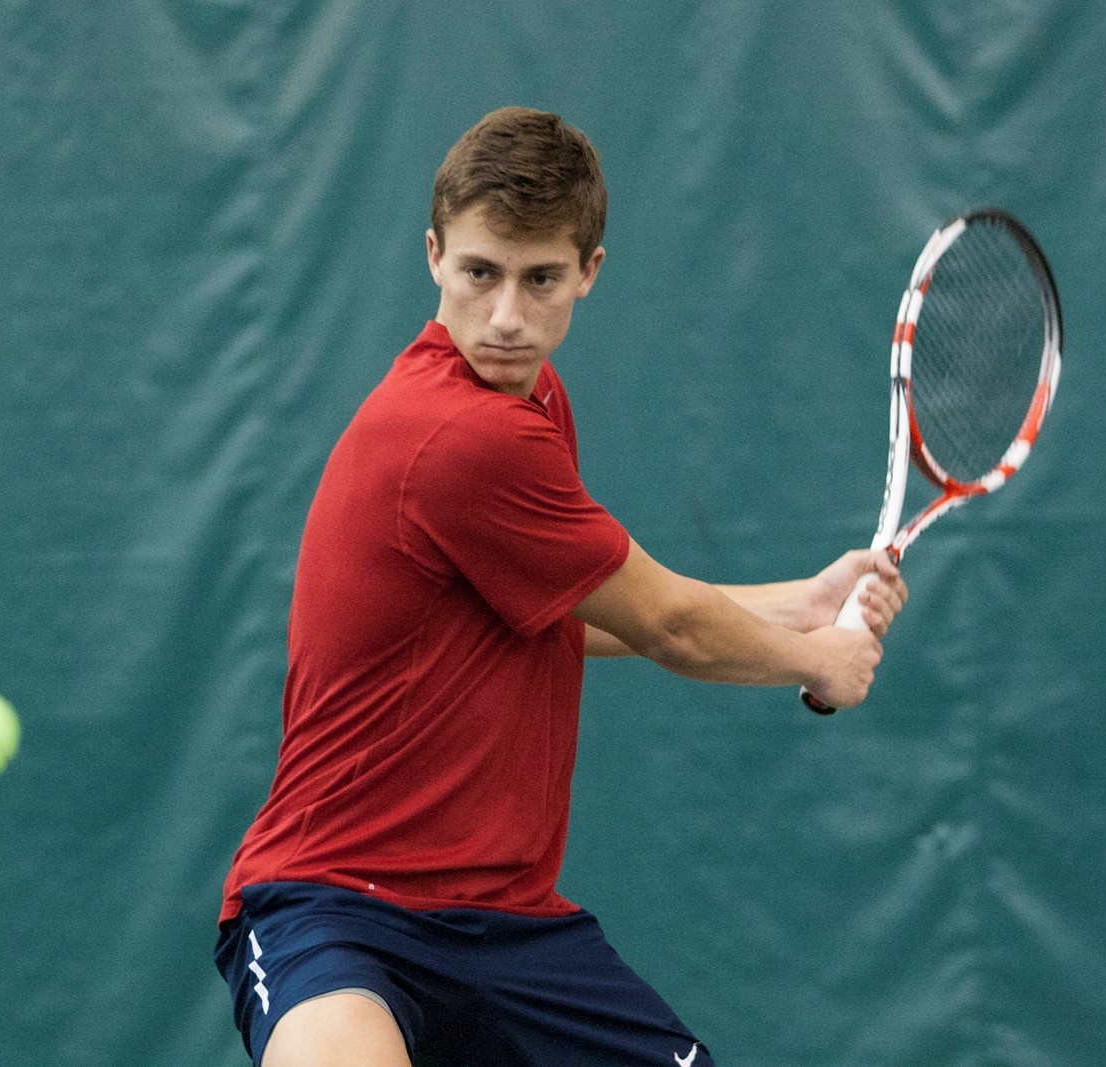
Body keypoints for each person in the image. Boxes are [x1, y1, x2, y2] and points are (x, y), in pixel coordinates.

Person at [215, 106, 907, 1067]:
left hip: (508, 926)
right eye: (480, 273)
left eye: (539, 278)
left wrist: (800, 600)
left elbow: (561, 614)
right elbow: (670, 625)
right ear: (433, 257)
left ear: (589, 270)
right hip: (333, 903)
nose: (506, 315)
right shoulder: (464, 434)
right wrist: (818, 661)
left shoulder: (535, 399)